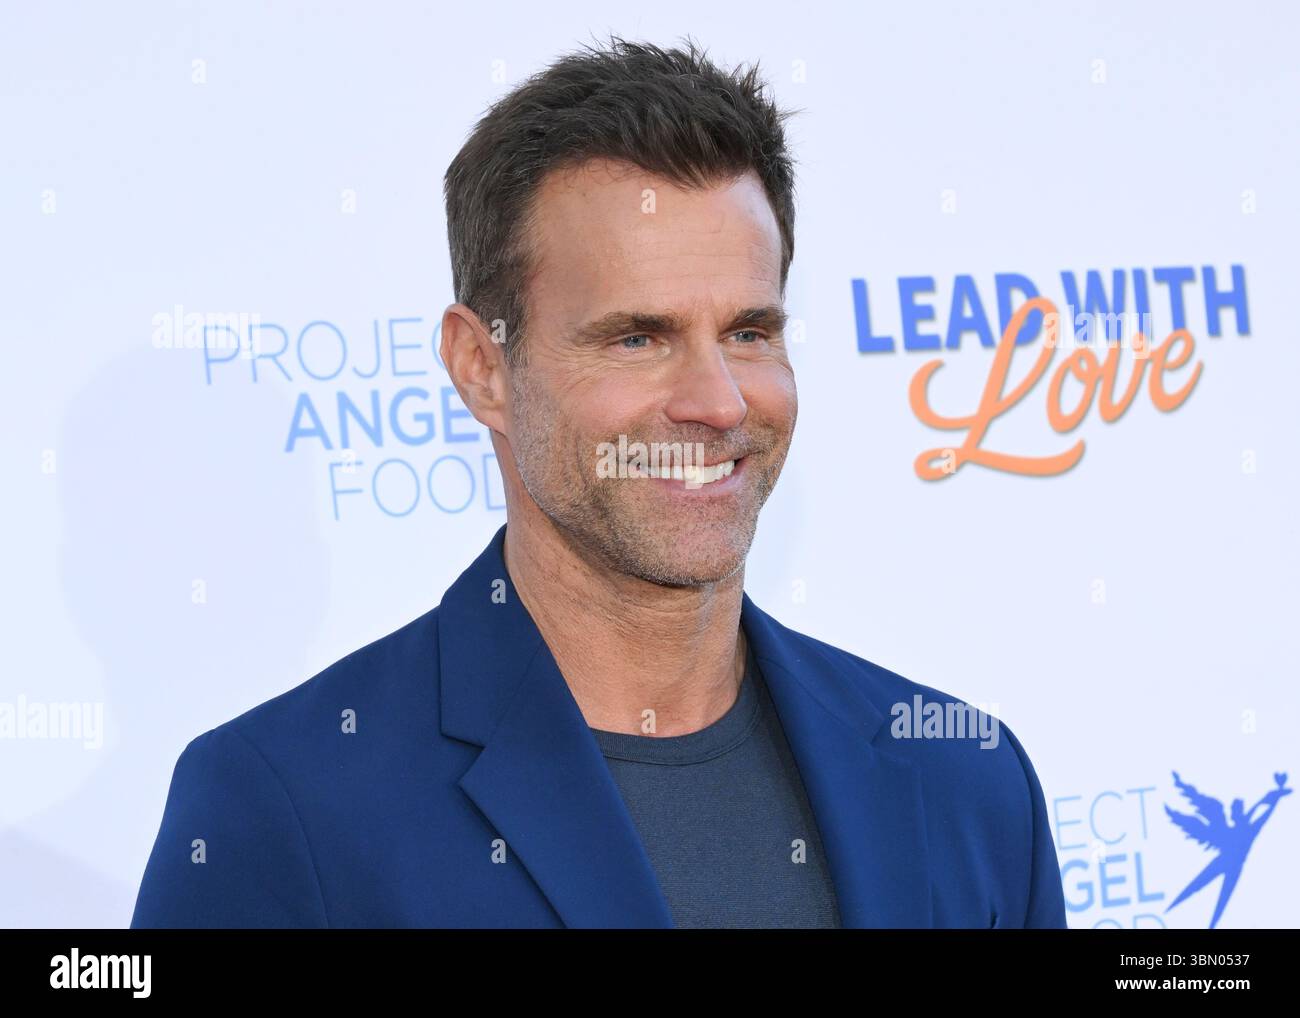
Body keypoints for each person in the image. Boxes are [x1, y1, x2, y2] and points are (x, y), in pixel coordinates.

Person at [131, 34, 1067, 929]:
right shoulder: (285, 806)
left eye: (748, 331)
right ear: (481, 367)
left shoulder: (962, 778)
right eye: (637, 337)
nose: (717, 401)